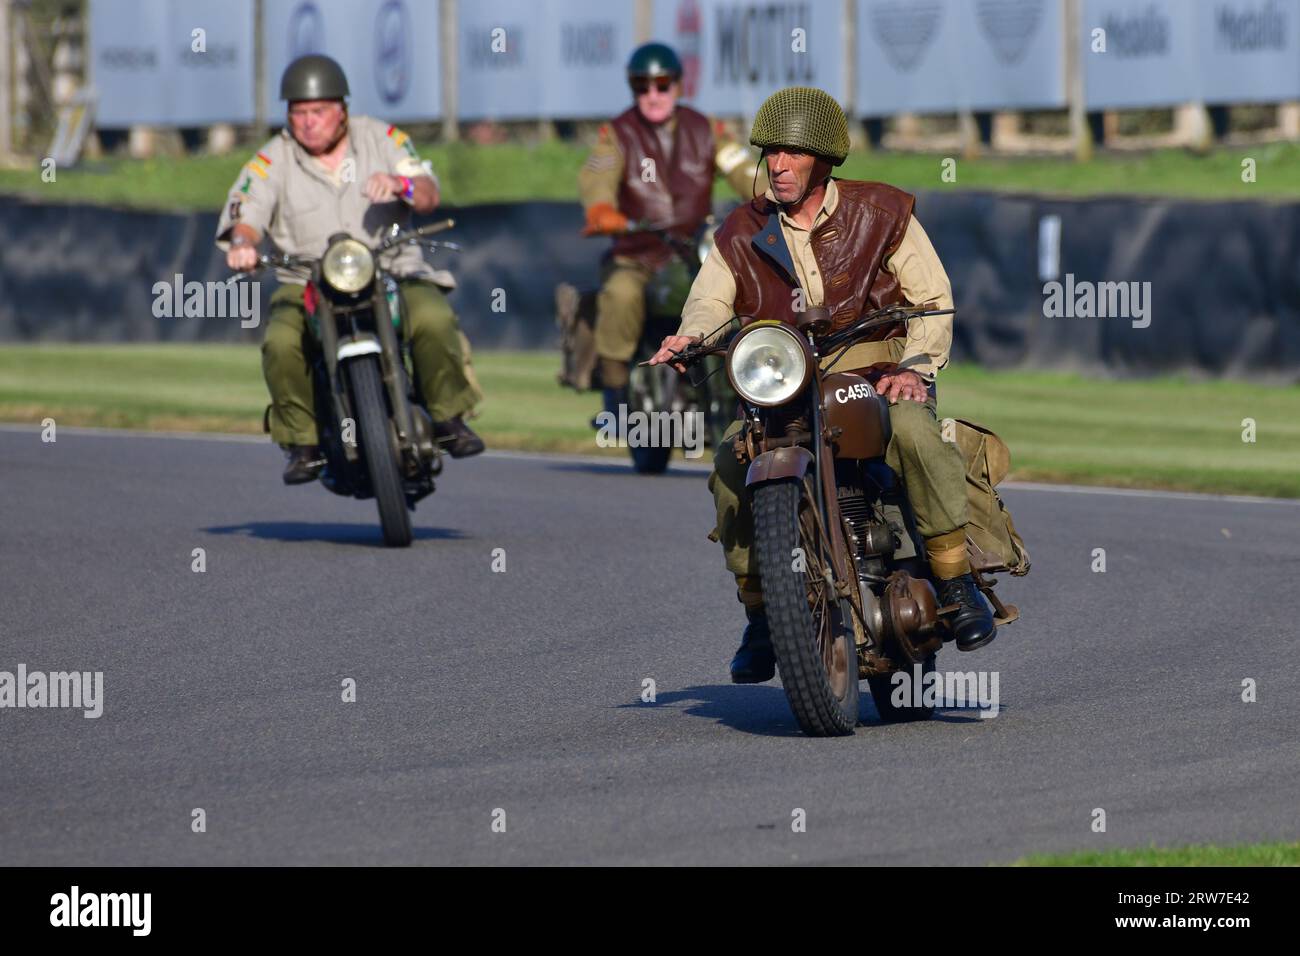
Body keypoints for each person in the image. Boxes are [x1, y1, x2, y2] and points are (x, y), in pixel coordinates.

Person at [649, 86, 997, 684]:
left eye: (793, 153)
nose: (778, 166)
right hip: (784, 376)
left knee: (915, 434)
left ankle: (956, 582)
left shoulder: (883, 212)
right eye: (771, 153)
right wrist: (689, 336)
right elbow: (709, 299)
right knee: (733, 461)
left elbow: (934, 302)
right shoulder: (740, 229)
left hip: (875, 369)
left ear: (824, 160)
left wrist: (914, 368)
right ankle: (762, 614)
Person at [217, 54, 484, 484]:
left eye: (318, 111)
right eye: (298, 112)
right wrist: (244, 244)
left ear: (342, 110)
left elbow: (429, 193)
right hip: (307, 280)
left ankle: (450, 419)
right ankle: (302, 444)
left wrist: (403, 185)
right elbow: (246, 212)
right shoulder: (271, 160)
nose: (308, 122)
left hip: (390, 269)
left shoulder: (382, 137)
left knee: (433, 318)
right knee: (281, 343)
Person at [578, 41, 767, 418]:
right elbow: (596, 180)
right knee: (620, 294)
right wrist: (602, 211)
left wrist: (771, 198)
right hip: (637, 253)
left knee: (748, 291)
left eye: (662, 84)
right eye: (641, 86)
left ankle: (758, 383)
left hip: (693, 250)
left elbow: (745, 172)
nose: (652, 95)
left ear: (678, 85)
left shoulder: (707, 130)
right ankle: (615, 392)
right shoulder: (617, 134)